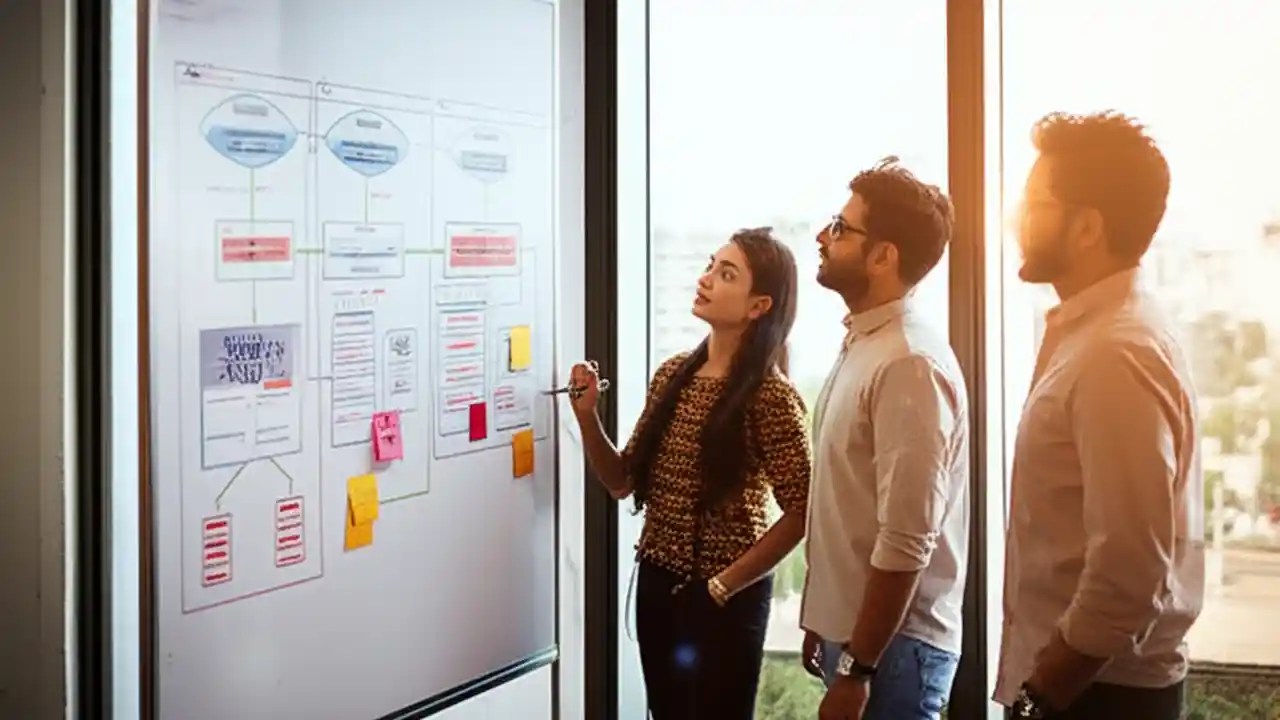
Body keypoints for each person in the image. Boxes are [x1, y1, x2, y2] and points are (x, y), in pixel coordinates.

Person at [996, 111, 1203, 720]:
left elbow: (1129, 571)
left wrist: (1042, 694)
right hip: (1086, 689)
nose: (1016, 220)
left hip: (1096, 697)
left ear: (1086, 226)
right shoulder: (1099, 333)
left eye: (1033, 202)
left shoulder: (1116, 353)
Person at [564, 227, 811, 719]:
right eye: (709, 266)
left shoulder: (771, 396)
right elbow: (621, 481)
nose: (705, 280)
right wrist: (587, 415)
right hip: (658, 586)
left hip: (727, 599)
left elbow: (804, 511)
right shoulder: (673, 374)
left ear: (759, 305)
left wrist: (723, 585)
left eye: (726, 274)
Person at [799, 157, 970, 720]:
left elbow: (906, 538)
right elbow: (848, 504)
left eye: (842, 228)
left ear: (884, 256)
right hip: (862, 643)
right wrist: (824, 621)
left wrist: (857, 668)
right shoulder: (867, 344)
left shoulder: (908, 363)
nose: (823, 237)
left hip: (895, 652)